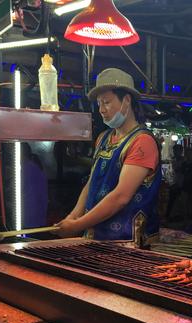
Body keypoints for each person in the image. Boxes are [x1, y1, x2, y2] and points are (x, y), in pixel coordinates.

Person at [54, 68, 161, 248]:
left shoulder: (142, 142)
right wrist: (73, 216)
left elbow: (121, 196)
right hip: (95, 236)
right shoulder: (104, 137)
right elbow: (92, 182)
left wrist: (78, 225)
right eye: (99, 104)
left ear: (127, 100)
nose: (102, 110)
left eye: (107, 102)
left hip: (128, 243)